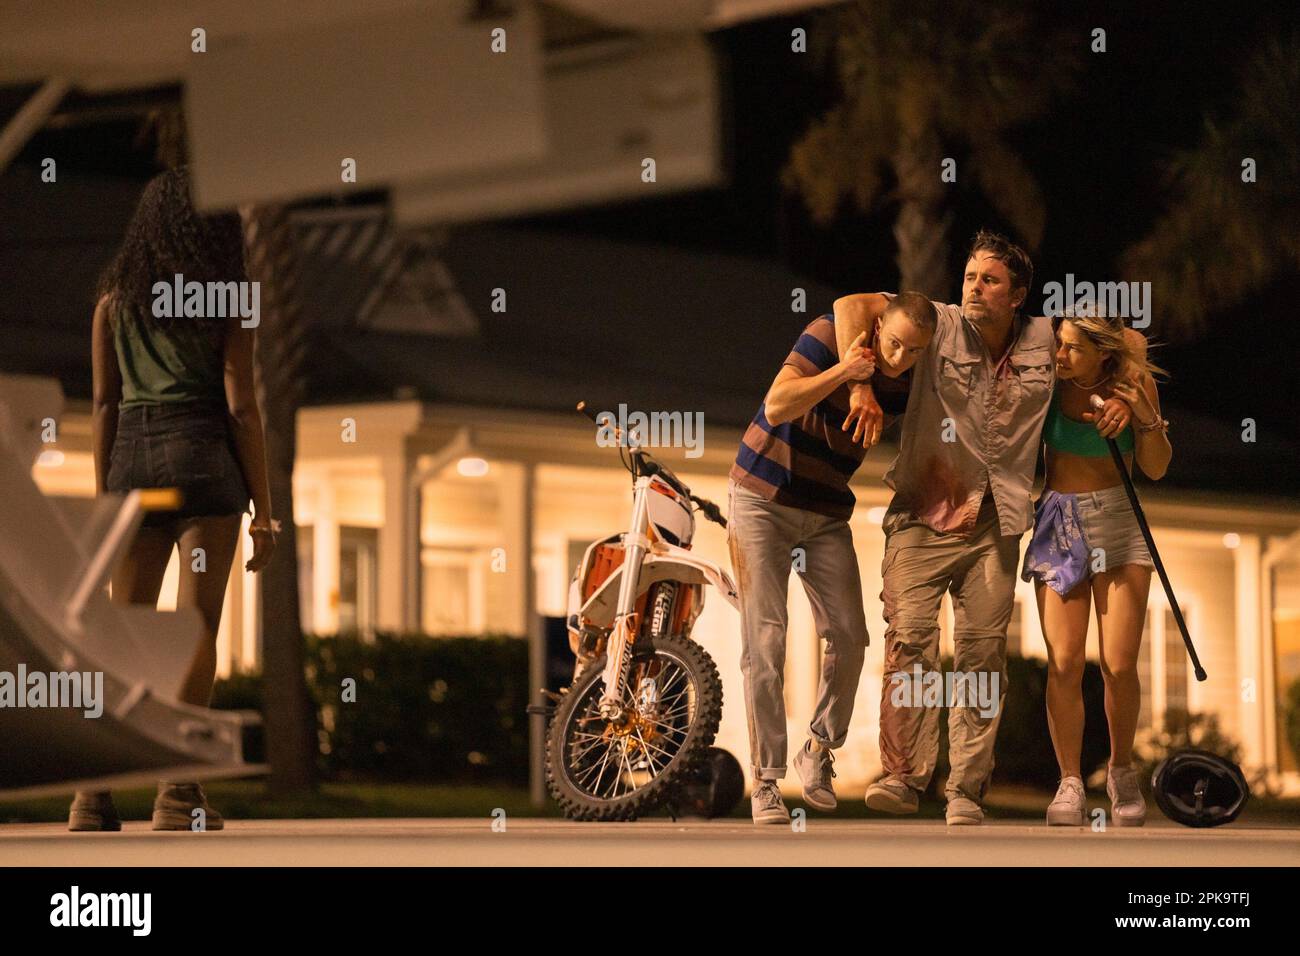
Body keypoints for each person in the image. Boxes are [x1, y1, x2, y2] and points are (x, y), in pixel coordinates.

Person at [832, 231, 1134, 826]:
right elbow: (851, 307)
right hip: (921, 513)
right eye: (970, 276)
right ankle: (902, 775)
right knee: (910, 642)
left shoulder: (1048, 338)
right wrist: (859, 384)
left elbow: (1127, 340)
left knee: (981, 656)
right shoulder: (938, 323)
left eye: (989, 280)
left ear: (1018, 293)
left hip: (999, 524)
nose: (974, 288)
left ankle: (966, 790)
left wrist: (1126, 393)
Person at [72, 167, 278, 832]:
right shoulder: (229, 301)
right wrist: (266, 513)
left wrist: (107, 500)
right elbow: (243, 407)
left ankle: (93, 794)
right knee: (195, 628)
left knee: (121, 632)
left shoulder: (114, 303)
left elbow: (103, 405)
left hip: (133, 463)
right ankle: (178, 793)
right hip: (203, 464)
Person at [729, 293, 936, 824]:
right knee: (767, 638)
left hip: (823, 514)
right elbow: (777, 405)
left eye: (913, 352)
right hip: (762, 498)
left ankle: (818, 748)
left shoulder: (912, 375)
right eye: (893, 343)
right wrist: (847, 373)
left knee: (849, 636)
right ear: (877, 325)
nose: (900, 359)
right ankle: (767, 783)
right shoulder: (830, 335)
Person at [1025, 305, 1171, 827]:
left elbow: (1155, 467)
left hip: (1119, 520)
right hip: (1059, 520)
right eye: (1059, 343)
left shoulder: (1131, 388)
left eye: (1073, 348)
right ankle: (1068, 782)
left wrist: (1146, 419)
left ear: (1103, 354)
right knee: (1064, 661)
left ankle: (1121, 770)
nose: (1059, 354)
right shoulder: (1046, 385)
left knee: (1119, 662)